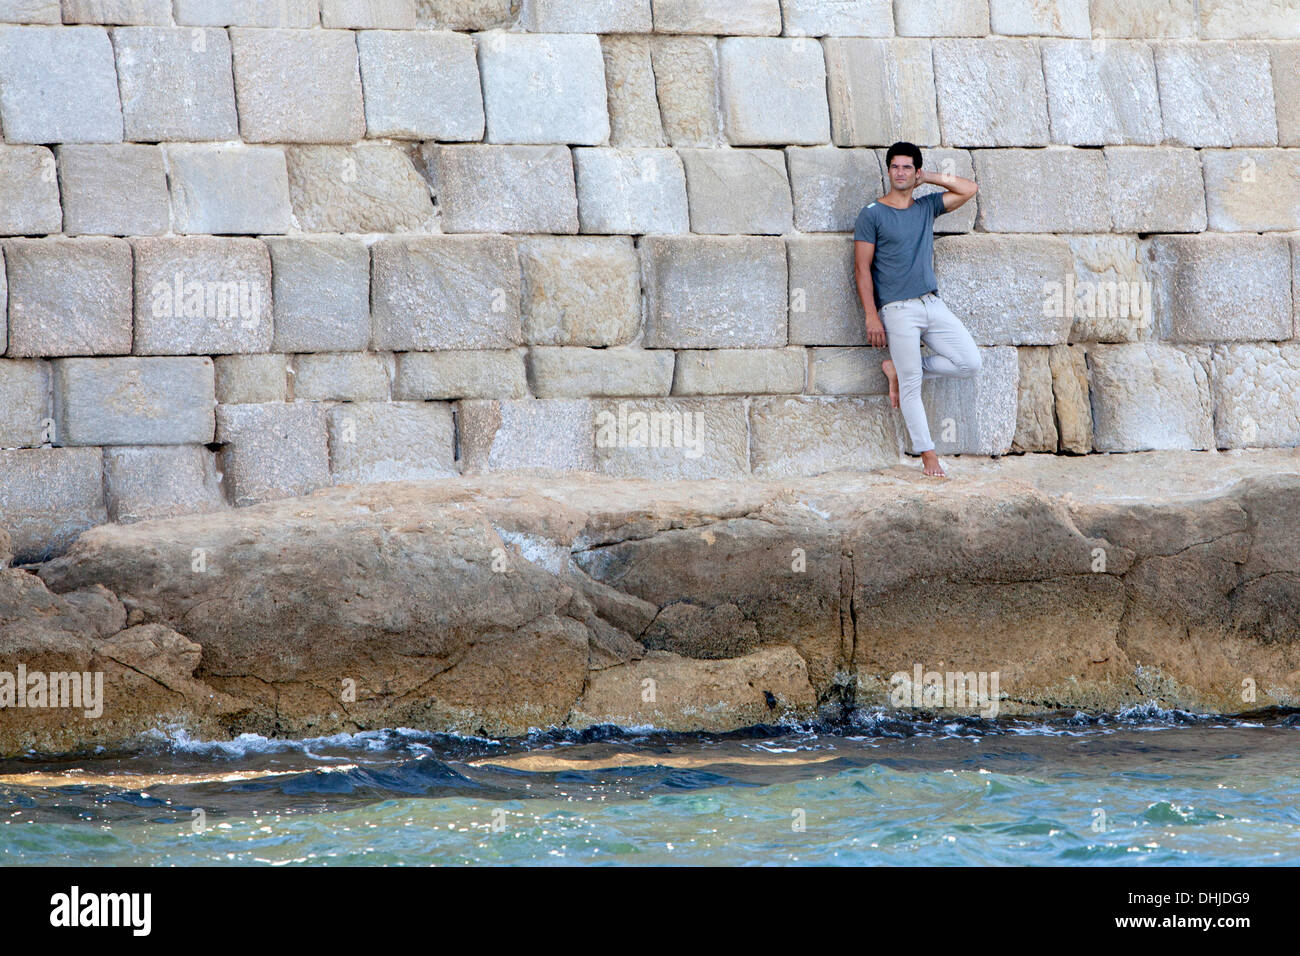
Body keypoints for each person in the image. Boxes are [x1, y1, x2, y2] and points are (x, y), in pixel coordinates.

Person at [854, 142, 980, 479]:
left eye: (907, 167)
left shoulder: (926, 207)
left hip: (931, 302)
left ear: (916, 172)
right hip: (897, 310)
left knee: (970, 362)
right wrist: (871, 315)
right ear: (888, 170)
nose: (900, 173)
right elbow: (861, 269)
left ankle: (900, 368)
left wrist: (932, 178)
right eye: (895, 167)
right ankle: (928, 457)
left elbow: (969, 188)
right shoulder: (872, 214)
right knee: (911, 387)